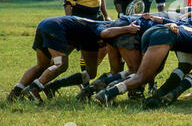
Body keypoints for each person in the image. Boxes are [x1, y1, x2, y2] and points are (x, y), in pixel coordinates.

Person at [6, 15, 140, 104]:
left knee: (43, 65)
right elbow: (104, 33)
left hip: (49, 26)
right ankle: (33, 89)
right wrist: (127, 28)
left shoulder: (91, 37)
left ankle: (16, 92)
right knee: (61, 64)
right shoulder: (102, 26)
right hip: (54, 27)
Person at [95, 21, 192, 107]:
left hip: (151, 31)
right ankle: (107, 93)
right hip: (164, 36)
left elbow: (174, 25)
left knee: (146, 73)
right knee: (142, 76)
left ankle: (158, 93)